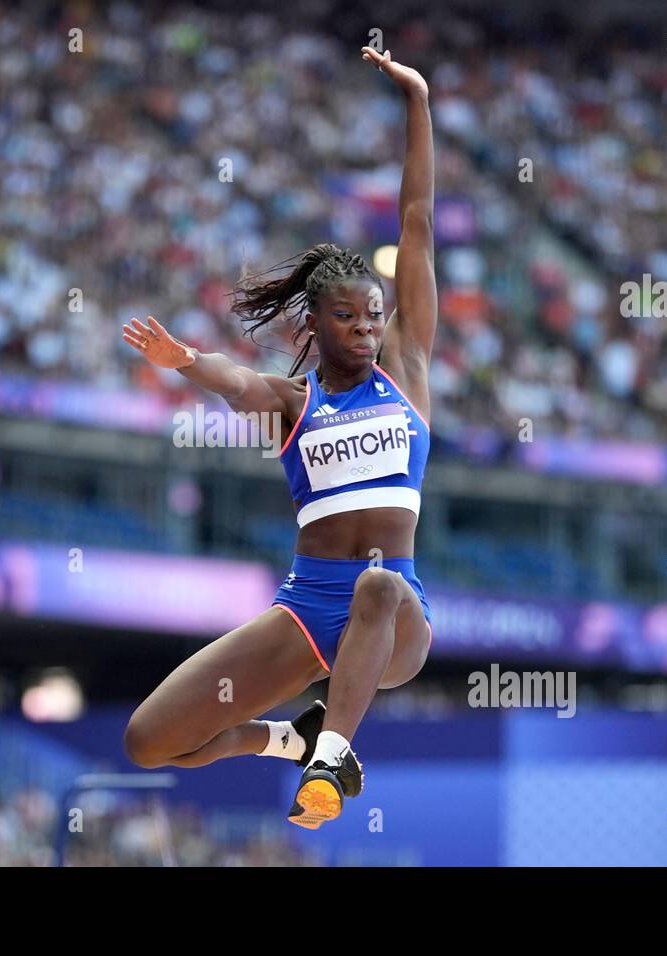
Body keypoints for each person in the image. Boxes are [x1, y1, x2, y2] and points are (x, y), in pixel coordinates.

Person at [122, 46, 436, 829]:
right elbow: (236, 379)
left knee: (377, 584)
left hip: (394, 621)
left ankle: (329, 761)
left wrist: (419, 101)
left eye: (374, 314)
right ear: (316, 324)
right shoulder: (291, 406)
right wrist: (184, 359)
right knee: (150, 741)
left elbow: (419, 227)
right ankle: (292, 744)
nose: (367, 326)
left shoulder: (408, 373)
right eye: (348, 316)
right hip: (306, 610)